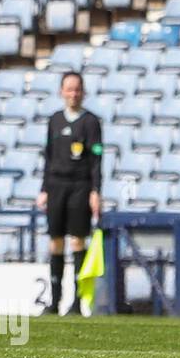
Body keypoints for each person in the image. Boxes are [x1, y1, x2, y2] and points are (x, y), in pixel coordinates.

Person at [36, 71, 103, 316]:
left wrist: (95, 190)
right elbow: (48, 156)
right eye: (69, 89)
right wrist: (44, 188)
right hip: (56, 185)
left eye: (77, 89)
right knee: (55, 241)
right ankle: (54, 302)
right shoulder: (54, 120)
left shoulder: (91, 122)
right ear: (61, 92)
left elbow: (97, 159)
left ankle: (76, 303)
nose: (73, 94)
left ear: (83, 92)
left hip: (80, 186)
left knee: (77, 240)